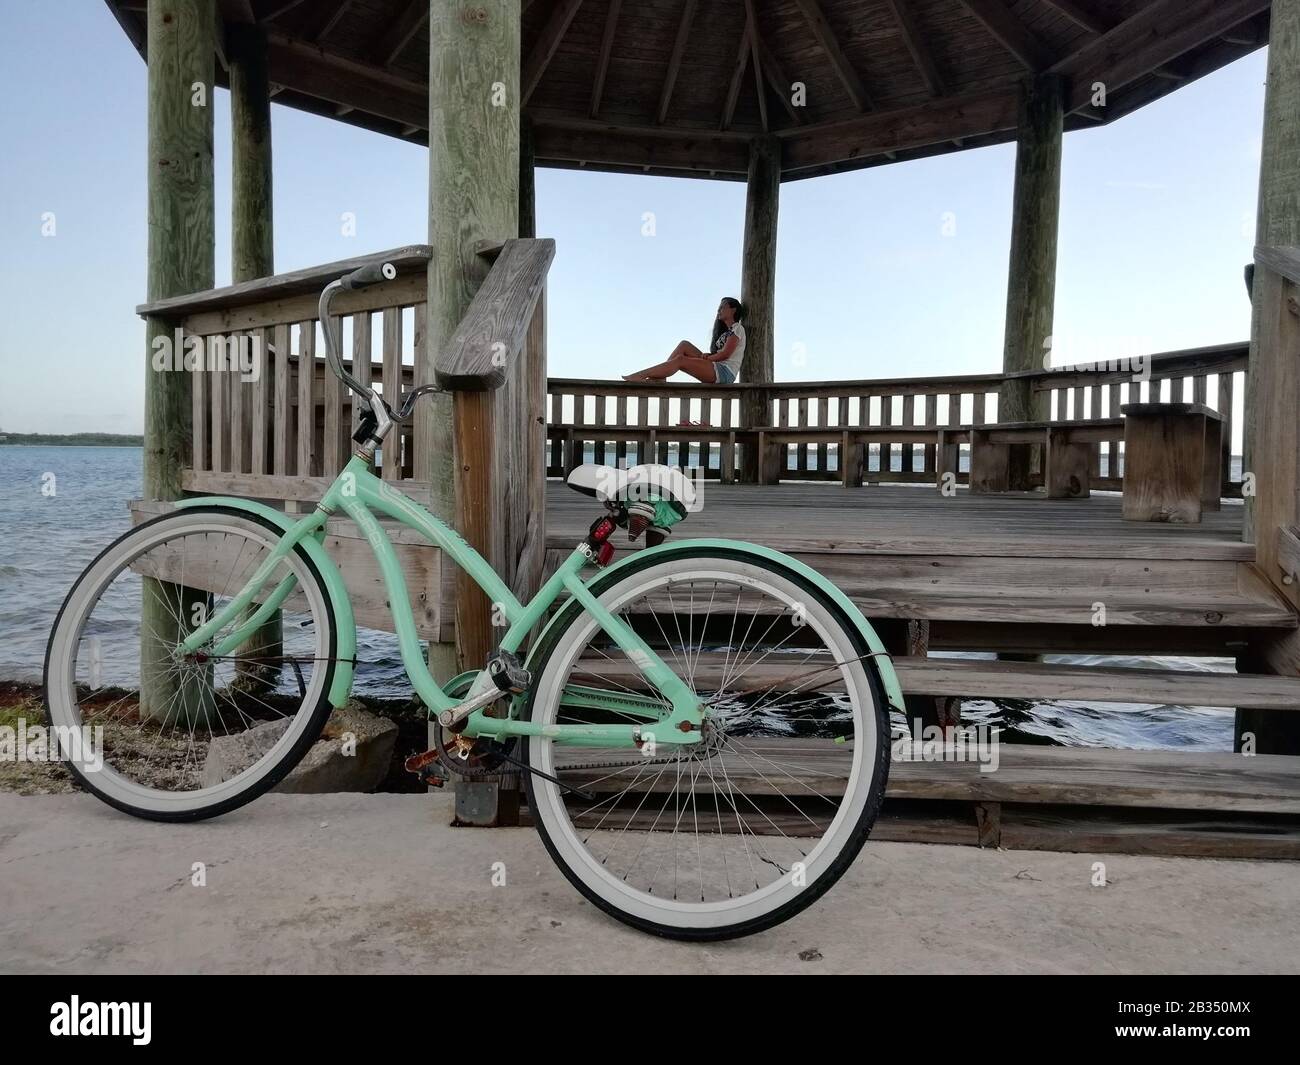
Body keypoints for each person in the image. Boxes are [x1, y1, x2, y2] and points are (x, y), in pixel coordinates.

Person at [623, 298, 747, 383]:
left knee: (680, 360)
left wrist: (707, 358)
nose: (718, 310)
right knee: (684, 345)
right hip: (716, 366)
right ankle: (661, 376)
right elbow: (721, 353)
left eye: (722, 307)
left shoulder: (737, 328)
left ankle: (641, 375)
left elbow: (725, 354)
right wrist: (708, 356)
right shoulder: (726, 332)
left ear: (733, 309)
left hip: (724, 372)